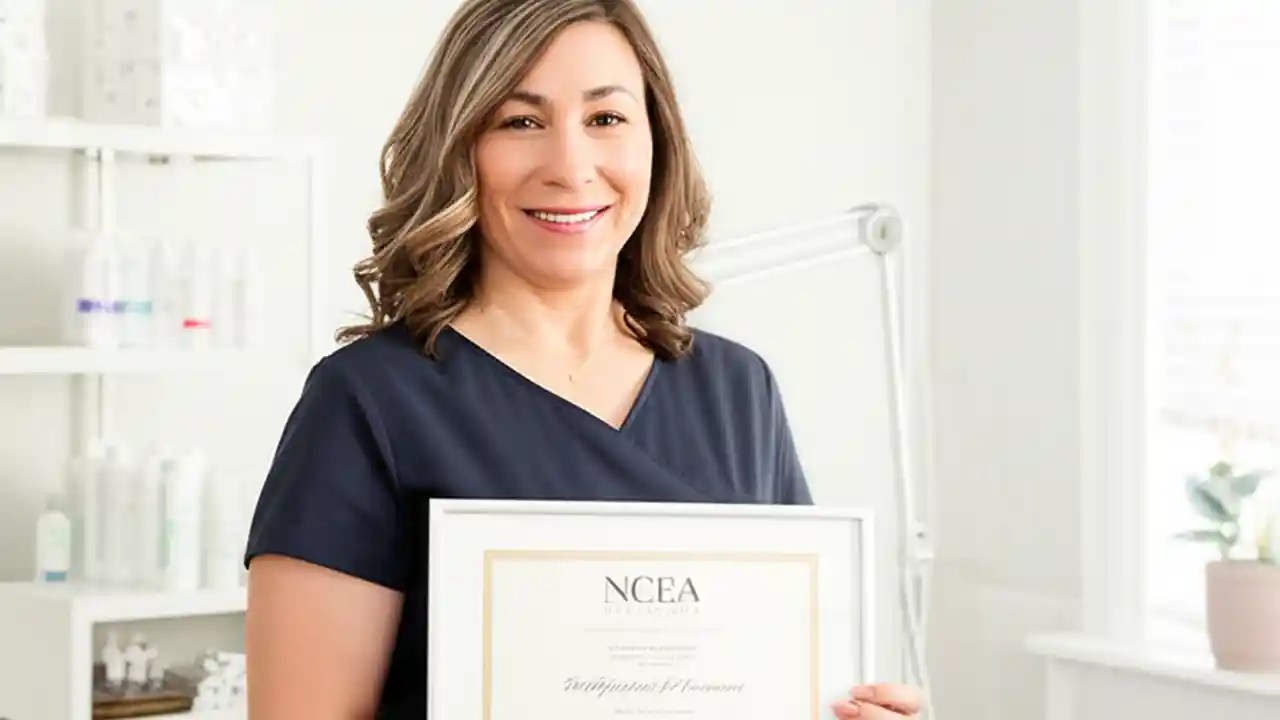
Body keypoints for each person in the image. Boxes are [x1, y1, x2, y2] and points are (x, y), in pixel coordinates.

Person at [243, 0, 924, 718]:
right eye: (521, 121)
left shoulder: (737, 390)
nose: (571, 167)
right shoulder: (369, 402)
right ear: (459, 148)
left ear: (655, 141)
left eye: (606, 119)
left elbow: (779, 683)